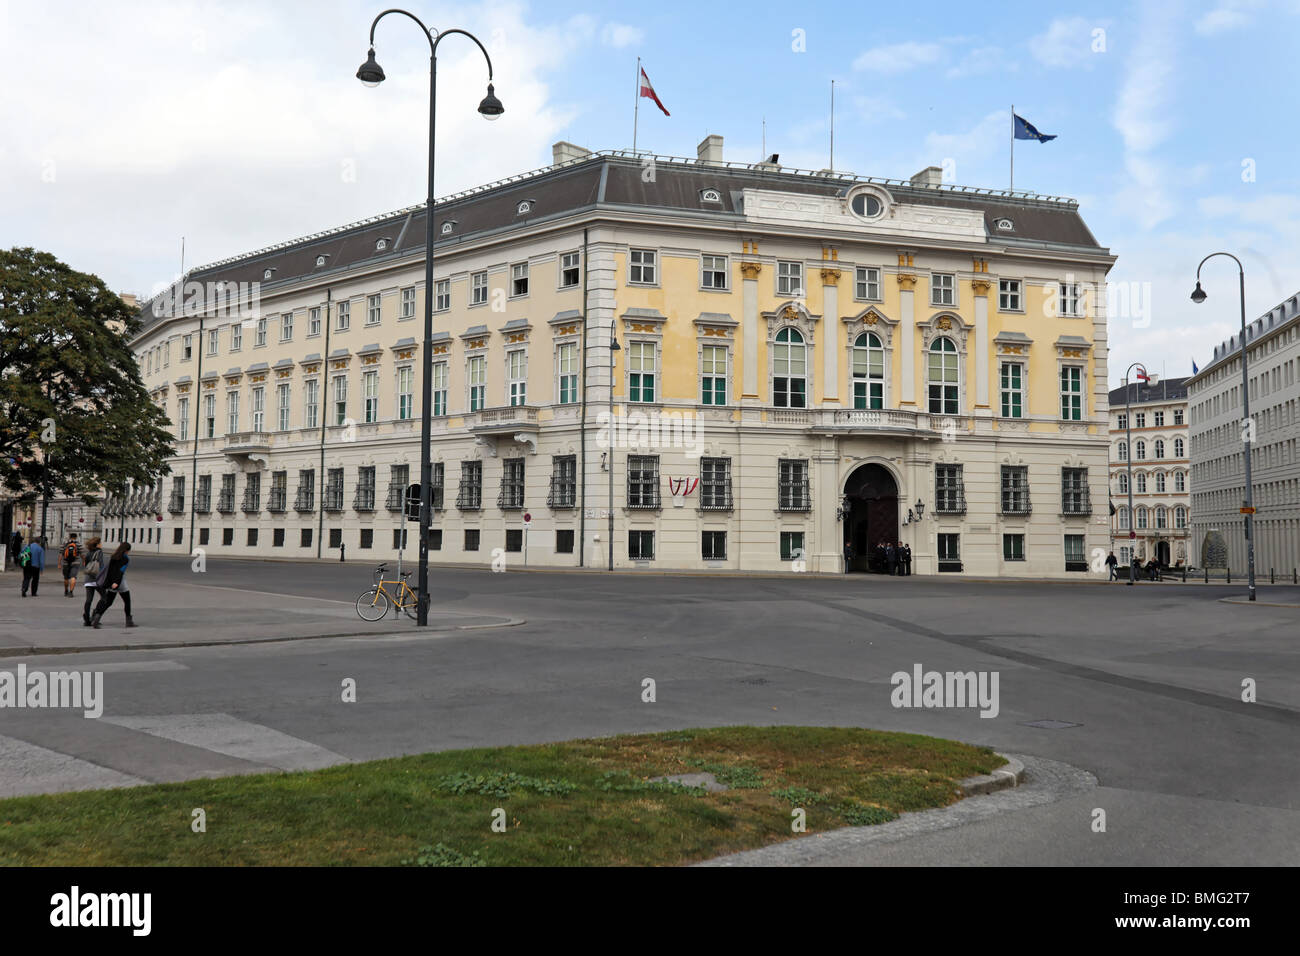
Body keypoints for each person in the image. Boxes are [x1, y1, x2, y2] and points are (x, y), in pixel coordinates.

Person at [90, 542, 135, 628]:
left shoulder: (113, 556)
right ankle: (129, 621)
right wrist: (116, 582)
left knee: (108, 602)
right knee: (127, 601)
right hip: (120, 583)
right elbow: (120, 572)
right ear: (126, 550)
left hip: (111, 582)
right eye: (128, 550)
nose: (128, 552)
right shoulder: (125, 559)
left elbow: (109, 571)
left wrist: (111, 582)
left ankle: (96, 618)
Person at [80, 536, 104, 626]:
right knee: (104, 597)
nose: (101, 544)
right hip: (97, 578)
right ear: (97, 544)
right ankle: (96, 615)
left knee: (88, 600)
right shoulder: (99, 552)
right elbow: (101, 565)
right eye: (100, 543)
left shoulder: (89, 553)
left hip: (88, 578)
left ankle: (86, 619)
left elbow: (86, 564)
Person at [60, 533, 80, 597]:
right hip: (75, 563)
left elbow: (60, 554)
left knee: (66, 578)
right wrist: (84, 561)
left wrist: (59, 563)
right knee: (73, 577)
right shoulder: (78, 544)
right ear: (76, 537)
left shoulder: (64, 544)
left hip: (65, 563)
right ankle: (71, 592)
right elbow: (82, 554)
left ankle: (66, 591)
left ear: (69, 537)